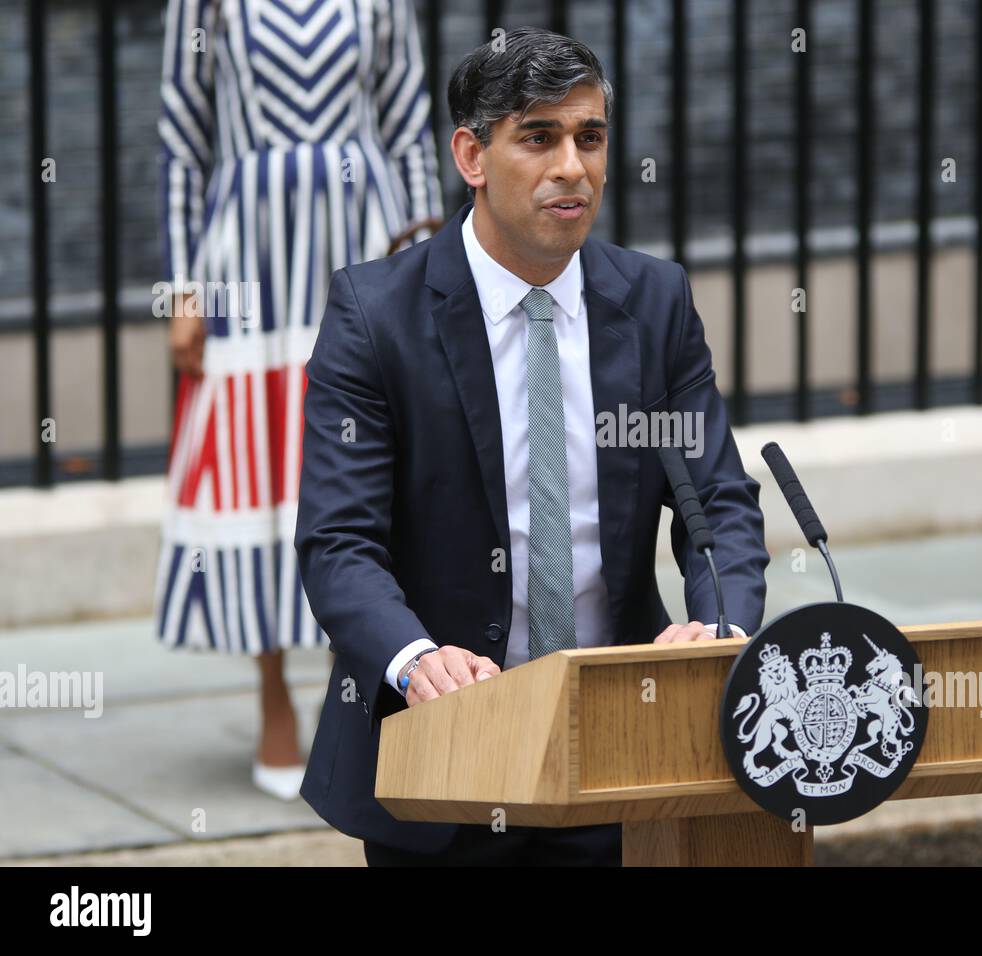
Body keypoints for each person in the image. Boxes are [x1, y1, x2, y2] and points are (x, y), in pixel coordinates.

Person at [295, 27, 769, 866]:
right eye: (539, 138)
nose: (572, 168)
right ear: (472, 156)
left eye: (589, 137)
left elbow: (718, 502)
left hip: (625, 744)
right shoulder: (376, 317)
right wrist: (416, 661)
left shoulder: (653, 302)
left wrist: (719, 626)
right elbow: (339, 543)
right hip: (443, 760)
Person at [154, 0, 442, 799]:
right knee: (259, 455)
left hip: (363, 225)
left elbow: (408, 123)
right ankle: (272, 690)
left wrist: (424, 256)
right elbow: (183, 141)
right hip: (247, 245)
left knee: (367, 448)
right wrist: (182, 288)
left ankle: (348, 687)